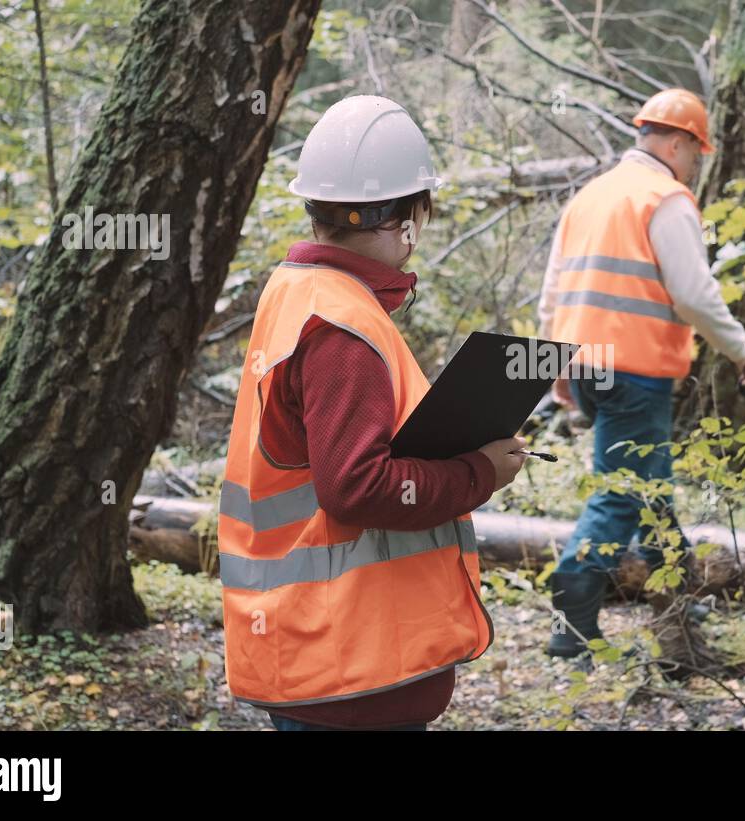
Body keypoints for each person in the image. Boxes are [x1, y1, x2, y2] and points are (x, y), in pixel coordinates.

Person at [217, 95, 526, 730]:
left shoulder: (298, 290)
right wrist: (480, 473)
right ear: (407, 218)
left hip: (323, 654)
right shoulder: (342, 328)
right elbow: (354, 488)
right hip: (348, 673)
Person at [537, 88, 745, 658]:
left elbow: (552, 292)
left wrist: (555, 366)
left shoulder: (590, 197)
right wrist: (744, 353)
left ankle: (675, 595)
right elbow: (693, 294)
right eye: (697, 154)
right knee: (624, 494)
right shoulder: (664, 199)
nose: (697, 166)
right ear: (676, 143)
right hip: (632, 371)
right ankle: (571, 622)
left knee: (651, 488)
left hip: (587, 367)